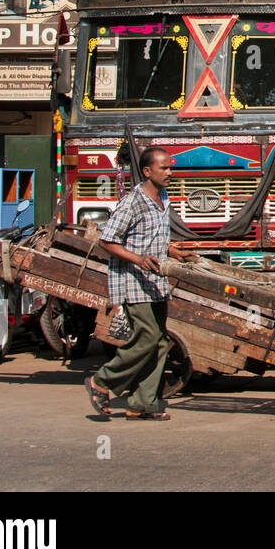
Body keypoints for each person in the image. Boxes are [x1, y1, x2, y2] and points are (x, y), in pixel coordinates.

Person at [84, 146, 196, 421]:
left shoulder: (163, 198)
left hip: (156, 281)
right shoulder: (132, 201)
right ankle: (102, 381)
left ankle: (142, 403)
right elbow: (108, 240)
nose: (170, 173)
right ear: (147, 172)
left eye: (171, 168)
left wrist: (172, 251)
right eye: (164, 168)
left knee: (159, 341)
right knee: (146, 336)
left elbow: (151, 237)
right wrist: (138, 259)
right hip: (133, 281)